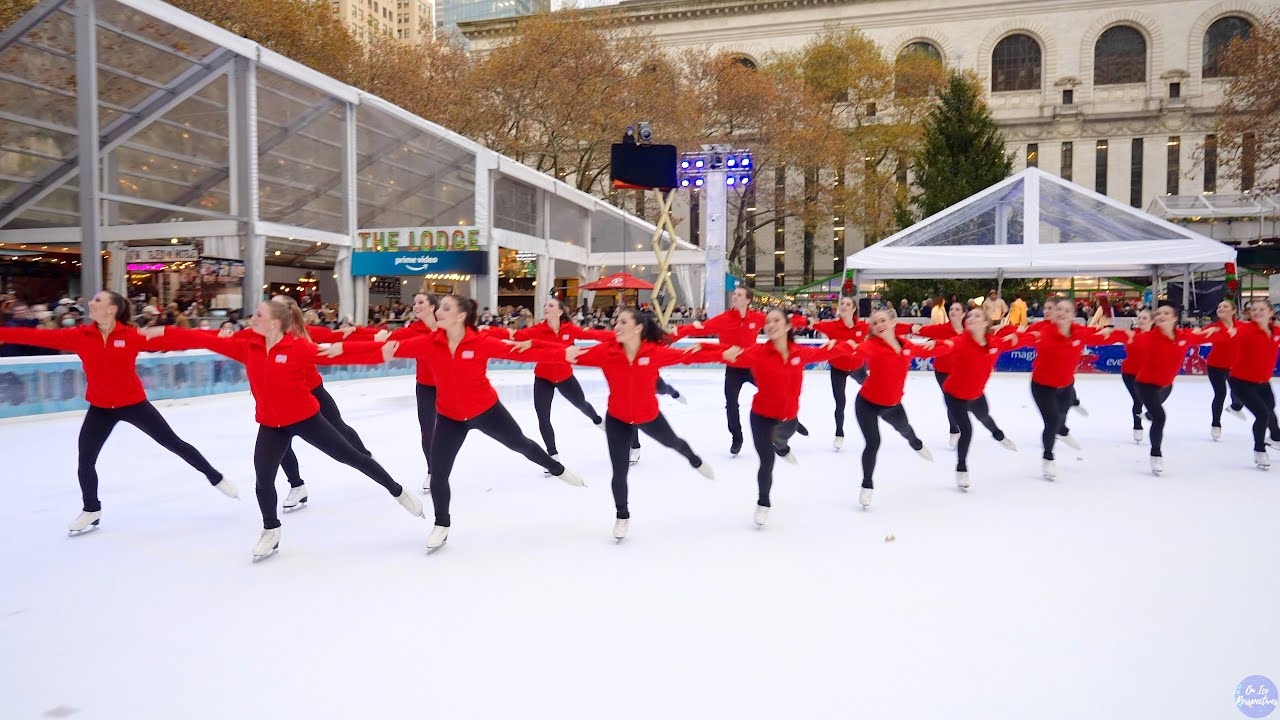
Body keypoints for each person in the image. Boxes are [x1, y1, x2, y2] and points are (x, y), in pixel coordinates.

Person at [144, 301, 419, 562]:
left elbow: (336, 355)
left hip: (306, 419)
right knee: (263, 479)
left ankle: (397, 491)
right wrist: (161, 332)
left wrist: (377, 353)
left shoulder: (297, 348)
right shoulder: (246, 346)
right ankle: (270, 529)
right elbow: (200, 339)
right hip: (271, 424)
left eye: (259, 315)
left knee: (351, 457)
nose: (252, 319)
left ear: (275, 324)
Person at [0, 291, 233, 536]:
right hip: (100, 408)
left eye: (97, 300)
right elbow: (35, 336)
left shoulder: (131, 336)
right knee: (85, 460)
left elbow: (178, 339)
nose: (91, 302)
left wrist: (218, 334)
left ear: (111, 309)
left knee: (174, 443)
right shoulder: (79, 335)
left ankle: (215, 477)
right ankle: (91, 509)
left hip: (134, 404)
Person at [380, 295, 586, 551]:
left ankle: (556, 468)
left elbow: (520, 353)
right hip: (450, 417)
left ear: (460, 316)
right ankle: (441, 524)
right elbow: (389, 346)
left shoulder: (480, 342)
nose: (438, 312)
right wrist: (372, 350)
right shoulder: (429, 343)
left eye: (446, 308)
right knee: (439, 473)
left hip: (487, 411)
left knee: (520, 444)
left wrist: (562, 352)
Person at [568, 308, 721, 540]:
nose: (616, 326)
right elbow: (568, 354)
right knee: (620, 472)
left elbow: (689, 355)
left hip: (649, 416)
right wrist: (557, 351)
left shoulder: (654, 352)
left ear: (638, 328)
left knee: (675, 443)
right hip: (618, 419)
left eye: (623, 322)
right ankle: (622, 515)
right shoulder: (606, 352)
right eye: (615, 322)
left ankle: (695, 460)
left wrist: (723, 353)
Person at [231, 295, 378, 512]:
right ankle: (297, 485)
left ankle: (366, 459)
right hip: (282, 399)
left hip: (314, 392)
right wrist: (224, 333)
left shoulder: (305, 332)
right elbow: (237, 338)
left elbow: (341, 336)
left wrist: (375, 338)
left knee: (339, 427)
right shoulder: (263, 335)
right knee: (280, 443)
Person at [723, 308, 853, 526]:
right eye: (767, 321)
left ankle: (783, 448)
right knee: (767, 460)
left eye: (776, 320)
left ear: (787, 326)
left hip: (788, 418)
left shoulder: (799, 353)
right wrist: (719, 353)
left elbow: (827, 353)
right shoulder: (757, 352)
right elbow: (724, 353)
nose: (771, 324)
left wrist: (845, 345)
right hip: (761, 416)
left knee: (782, 441)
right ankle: (763, 503)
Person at [674, 286, 807, 456]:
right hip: (734, 369)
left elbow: (786, 322)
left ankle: (793, 421)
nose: (735, 297)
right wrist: (673, 334)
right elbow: (699, 328)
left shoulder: (758, 318)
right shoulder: (724, 319)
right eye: (734, 294)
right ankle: (737, 438)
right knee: (731, 404)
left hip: (754, 367)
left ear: (748, 300)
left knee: (778, 393)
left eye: (739, 294)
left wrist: (807, 322)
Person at [849, 309, 942, 509]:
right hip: (866, 404)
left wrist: (939, 343)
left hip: (892, 405)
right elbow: (854, 350)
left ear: (893, 322)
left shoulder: (906, 345)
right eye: (874, 323)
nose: (879, 325)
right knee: (873, 443)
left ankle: (917, 445)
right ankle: (867, 484)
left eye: (882, 320)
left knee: (906, 429)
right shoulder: (871, 345)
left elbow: (932, 350)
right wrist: (840, 346)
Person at [1026, 298, 1120, 480]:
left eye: (1066, 310)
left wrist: (1118, 333)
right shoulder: (1043, 332)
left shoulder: (1080, 332)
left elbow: (1102, 336)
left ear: (1073, 315)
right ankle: (1048, 457)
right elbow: (1024, 337)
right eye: (1058, 309)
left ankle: (1064, 429)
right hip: (1042, 386)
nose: (1061, 312)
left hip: (1065, 385)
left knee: (1061, 416)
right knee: (1052, 422)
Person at [933, 308, 1025, 489]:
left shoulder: (994, 343)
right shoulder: (959, 341)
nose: (971, 318)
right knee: (966, 430)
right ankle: (961, 468)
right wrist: (929, 345)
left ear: (985, 323)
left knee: (984, 416)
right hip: (954, 396)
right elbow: (946, 345)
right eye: (970, 316)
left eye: (977, 316)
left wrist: (1017, 335)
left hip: (976, 395)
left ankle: (999, 436)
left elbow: (1018, 339)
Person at [514, 298, 613, 463]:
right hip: (543, 378)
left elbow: (595, 334)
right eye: (545, 305)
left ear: (560, 312)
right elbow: (515, 336)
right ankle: (552, 454)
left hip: (565, 376)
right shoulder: (537, 330)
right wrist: (486, 331)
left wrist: (618, 336)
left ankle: (597, 420)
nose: (546, 307)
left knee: (581, 404)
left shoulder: (570, 329)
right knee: (543, 416)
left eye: (550, 305)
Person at [1125, 305, 1208, 475]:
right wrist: (1108, 333)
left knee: (1155, 413)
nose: (1161, 315)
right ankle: (1156, 453)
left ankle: (1149, 415)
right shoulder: (1147, 337)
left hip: (1166, 384)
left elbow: (1206, 336)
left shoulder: (1184, 336)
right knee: (1160, 417)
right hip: (1144, 384)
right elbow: (1125, 337)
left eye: (1166, 313)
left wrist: (1215, 329)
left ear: (1175, 318)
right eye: (1159, 313)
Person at [1225, 299, 1280, 469]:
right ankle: (1259, 450)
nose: (1256, 312)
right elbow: (1231, 330)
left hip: (1263, 381)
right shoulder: (1245, 329)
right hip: (1241, 381)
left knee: (1270, 409)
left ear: (1271, 313)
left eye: (1261, 309)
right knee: (1262, 414)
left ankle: (1275, 437)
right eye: (1253, 309)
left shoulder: (1276, 331)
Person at [813, 296, 869, 450]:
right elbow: (810, 324)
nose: (844, 306)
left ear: (854, 308)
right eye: (842, 303)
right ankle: (839, 433)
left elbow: (886, 329)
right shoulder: (832, 326)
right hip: (838, 368)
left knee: (874, 389)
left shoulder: (863, 327)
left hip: (858, 367)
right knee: (840, 403)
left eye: (848, 304)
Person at [912, 302, 969, 448]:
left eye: (957, 309)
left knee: (963, 402)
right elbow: (920, 330)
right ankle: (954, 430)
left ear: (963, 313)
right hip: (943, 371)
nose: (953, 311)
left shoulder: (970, 330)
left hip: (963, 372)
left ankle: (961, 426)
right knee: (951, 401)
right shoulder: (941, 329)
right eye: (951, 309)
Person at [1202, 300, 1246, 440]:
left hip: (1236, 366)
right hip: (1216, 366)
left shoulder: (1242, 327)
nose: (1221, 308)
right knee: (1220, 394)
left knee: (1241, 392)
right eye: (1219, 306)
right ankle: (1216, 424)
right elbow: (1198, 336)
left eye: (1225, 306)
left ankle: (1236, 407)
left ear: (1233, 311)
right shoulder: (1213, 327)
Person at [1119, 309, 1153, 443]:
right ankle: (1137, 426)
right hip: (1130, 374)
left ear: (1152, 320)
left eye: (1145, 318)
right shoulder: (1131, 334)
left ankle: (1150, 414)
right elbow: (1113, 335)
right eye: (1139, 318)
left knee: (1150, 399)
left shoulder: (1158, 336)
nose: (1141, 320)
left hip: (1149, 374)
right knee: (1138, 400)